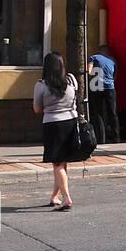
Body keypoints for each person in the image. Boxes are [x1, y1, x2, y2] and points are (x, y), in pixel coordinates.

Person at [33, 52, 78, 211]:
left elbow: (37, 109)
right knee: (61, 163)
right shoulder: (71, 79)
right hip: (71, 122)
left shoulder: (41, 85)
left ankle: (66, 198)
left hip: (53, 124)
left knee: (57, 163)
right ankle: (54, 196)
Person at [87, 45, 119, 145]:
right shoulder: (112, 61)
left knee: (98, 113)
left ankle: (101, 137)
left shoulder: (93, 57)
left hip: (96, 87)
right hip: (110, 88)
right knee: (112, 113)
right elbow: (115, 76)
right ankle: (116, 137)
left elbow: (89, 70)